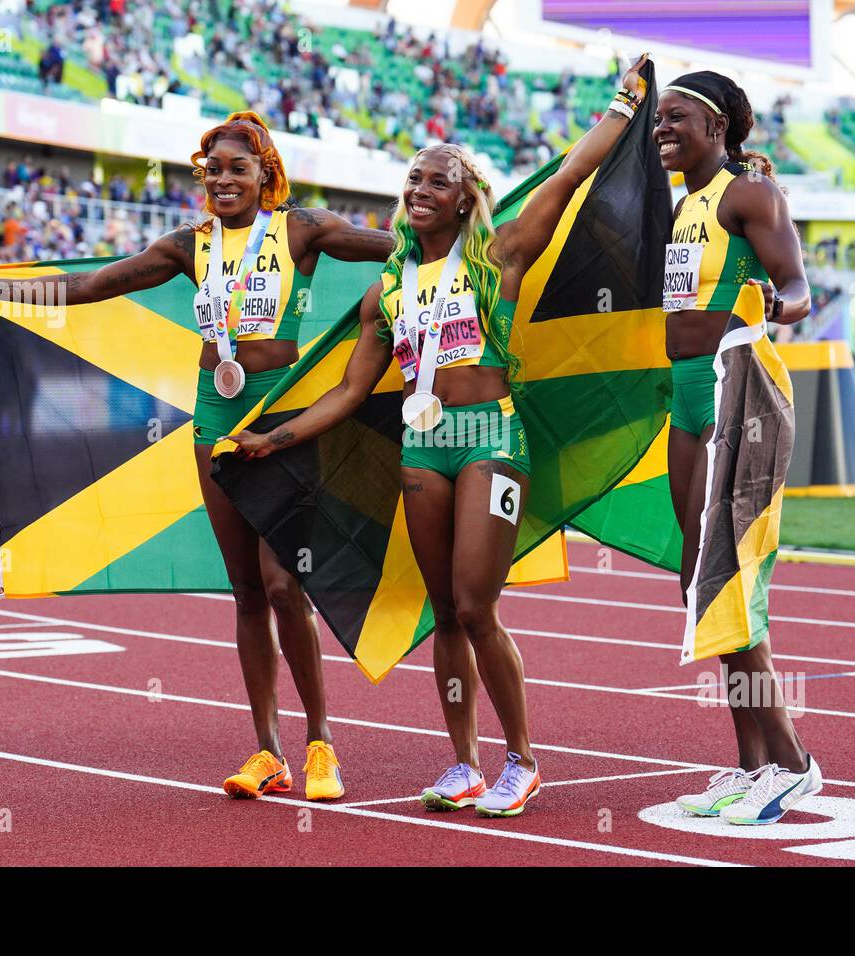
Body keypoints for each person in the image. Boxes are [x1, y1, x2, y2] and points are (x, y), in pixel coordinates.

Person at [232, 57, 652, 818]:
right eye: (412, 183)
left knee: (477, 604)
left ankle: (522, 760)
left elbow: (570, 176)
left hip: (488, 437)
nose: (418, 192)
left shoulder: (499, 255)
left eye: (436, 182)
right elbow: (351, 391)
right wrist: (276, 437)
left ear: (466, 199)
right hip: (423, 447)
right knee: (444, 610)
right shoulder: (387, 289)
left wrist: (624, 103)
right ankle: (463, 762)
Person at [0, 111, 394, 802]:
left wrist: (462, 240)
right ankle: (267, 750)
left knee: (283, 585)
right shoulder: (189, 245)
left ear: (264, 174)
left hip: (284, 414)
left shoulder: (302, 228)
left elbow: (396, 248)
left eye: (236, 169)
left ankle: (321, 743)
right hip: (214, 416)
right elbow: (94, 286)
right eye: (211, 169)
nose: (222, 180)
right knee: (245, 590)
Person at [654, 71, 819, 824]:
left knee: (726, 574)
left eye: (676, 118)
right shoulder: (684, 205)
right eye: (657, 119)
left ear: (717, 126)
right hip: (686, 394)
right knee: (699, 579)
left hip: (736, 382)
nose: (662, 130)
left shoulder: (749, 196)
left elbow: (798, 283)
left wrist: (773, 308)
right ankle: (749, 765)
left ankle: (790, 762)